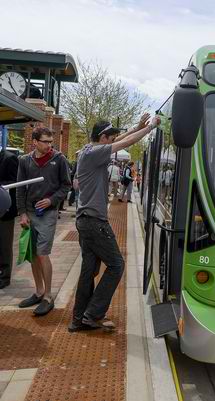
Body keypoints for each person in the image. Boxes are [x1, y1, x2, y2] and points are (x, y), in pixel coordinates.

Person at [69, 113, 159, 332]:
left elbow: (120, 141)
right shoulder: (95, 153)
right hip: (95, 222)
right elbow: (126, 142)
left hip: (85, 221)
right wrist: (149, 128)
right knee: (117, 265)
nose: (112, 142)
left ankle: (78, 319)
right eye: (110, 137)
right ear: (102, 137)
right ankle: (92, 315)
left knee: (88, 271)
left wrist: (137, 126)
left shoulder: (88, 151)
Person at [16, 127, 72, 315]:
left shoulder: (59, 159)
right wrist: (22, 213)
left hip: (47, 214)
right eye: (45, 141)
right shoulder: (24, 161)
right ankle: (39, 291)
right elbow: (20, 189)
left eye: (50, 141)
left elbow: (66, 185)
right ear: (35, 142)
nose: (49, 145)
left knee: (42, 253)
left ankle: (48, 296)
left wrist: (52, 200)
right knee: (32, 254)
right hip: (30, 213)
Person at [0, 147, 19, 289]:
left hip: (5, 209)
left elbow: (14, 182)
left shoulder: (10, 158)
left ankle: (4, 277)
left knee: (4, 244)